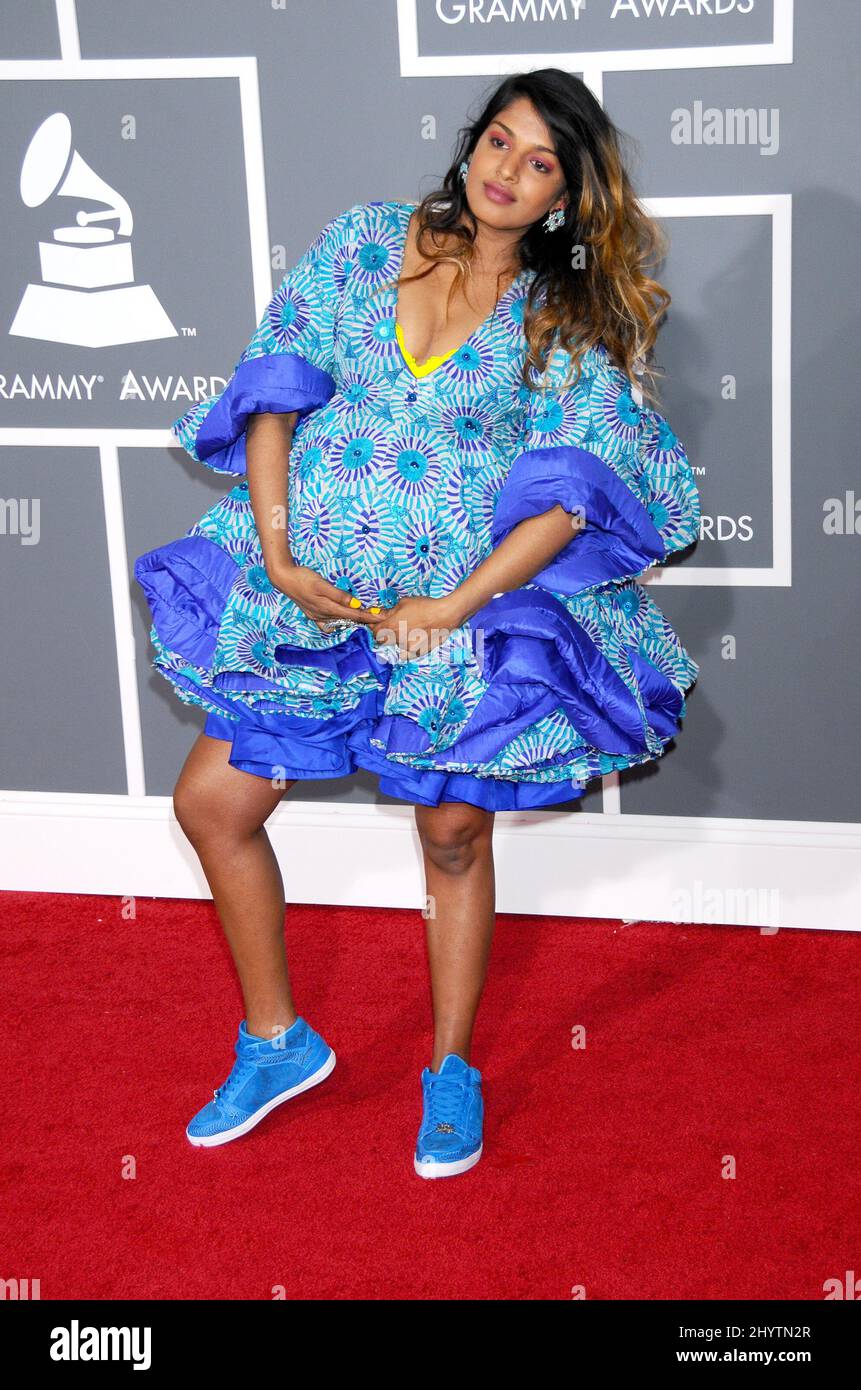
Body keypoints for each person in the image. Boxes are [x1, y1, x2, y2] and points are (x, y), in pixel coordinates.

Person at [134, 68, 701, 1179]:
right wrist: (282, 551)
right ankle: (278, 1040)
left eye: (540, 163)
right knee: (212, 801)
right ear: (471, 143)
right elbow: (277, 391)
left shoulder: (564, 308)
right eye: (499, 141)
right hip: (319, 590)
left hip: (458, 612)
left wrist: (455, 605)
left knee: (451, 834)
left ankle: (450, 1069)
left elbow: (568, 490)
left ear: (563, 197)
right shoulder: (363, 243)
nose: (507, 171)